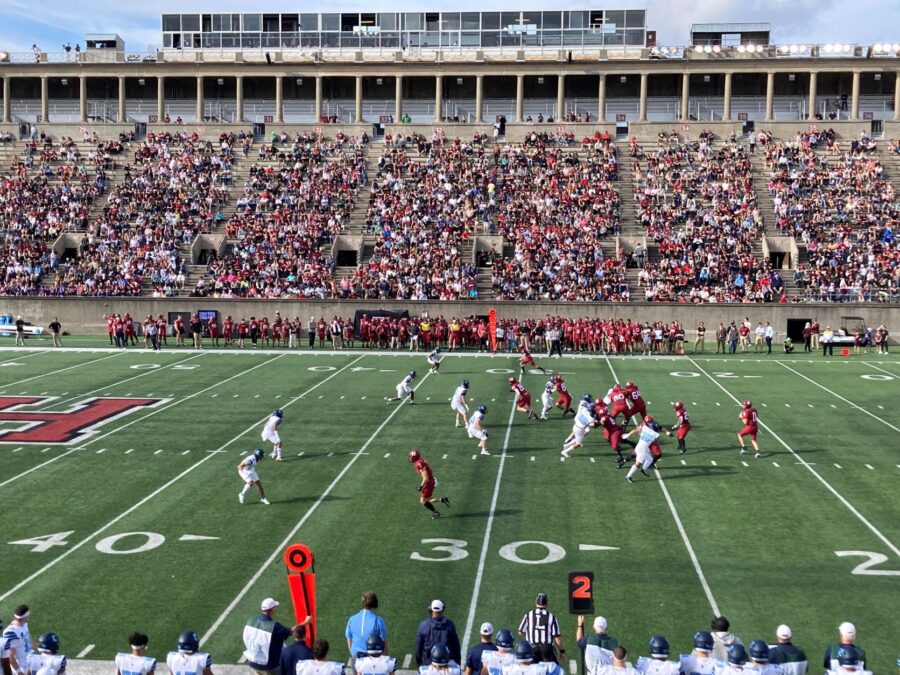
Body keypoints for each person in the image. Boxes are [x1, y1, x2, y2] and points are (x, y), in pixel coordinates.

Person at [244, 598, 303, 675]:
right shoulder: (274, 626)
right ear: (271, 609)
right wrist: (305, 622)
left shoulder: (251, 620)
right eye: (275, 607)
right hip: (269, 666)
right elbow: (293, 631)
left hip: (253, 663)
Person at [517, 594, 564, 664]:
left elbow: (520, 632)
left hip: (532, 647)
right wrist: (562, 651)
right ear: (547, 604)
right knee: (554, 670)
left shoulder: (528, 615)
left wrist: (530, 634)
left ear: (536, 603)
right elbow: (557, 637)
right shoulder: (551, 617)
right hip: (547, 648)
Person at [346, 592, 388, 664]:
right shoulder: (378, 620)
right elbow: (383, 642)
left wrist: (353, 654)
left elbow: (349, 639)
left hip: (356, 658)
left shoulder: (352, 619)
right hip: (372, 659)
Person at [415, 600, 461, 666]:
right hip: (447, 662)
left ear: (430, 609)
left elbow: (419, 646)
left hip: (429, 662)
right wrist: (457, 661)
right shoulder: (450, 625)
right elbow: (456, 646)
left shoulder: (423, 625)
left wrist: (418, 660)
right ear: (442, 610)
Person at [409, 450, 451, 519]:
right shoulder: (419, 461)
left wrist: (421, 486)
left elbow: (425, 477)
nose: (410, 458)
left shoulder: (418, 464)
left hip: (429, 482)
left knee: (423, 500)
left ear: (414, 458)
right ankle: (442, 500)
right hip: (430, 480)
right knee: (426, 499)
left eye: (411, 457)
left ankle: (436, 512)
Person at [623, 416, 660, 483]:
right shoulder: (655, 434)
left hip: (639, 447)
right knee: (638, 464)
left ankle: (643, 469)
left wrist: (627, 435)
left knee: (650, 459)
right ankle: (628, 476)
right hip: (642, 450)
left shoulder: (645, 428)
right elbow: (656, 438)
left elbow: (635, 430)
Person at [1, 604, 33, 675]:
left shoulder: (24, 624)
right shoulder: (11, 632)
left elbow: (29, 640)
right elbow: (10, 655)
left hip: (29, 659)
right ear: (25, 617)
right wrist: (19, 671)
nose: (29, 617)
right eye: (28, 615)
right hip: (21, 665)